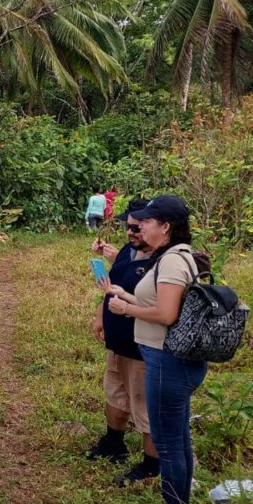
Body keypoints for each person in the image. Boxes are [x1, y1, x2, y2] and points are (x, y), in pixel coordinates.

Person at [106, 196, 205, 504]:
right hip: (168, 357)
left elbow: (165, 314)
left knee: (169, 444)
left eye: (147, 221)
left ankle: (174, 499)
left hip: (167, 359)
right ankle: (179, 496)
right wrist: (126, 295)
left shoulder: (174, 259)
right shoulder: (172, 255)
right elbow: (158, 304)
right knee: (179, 440)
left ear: (166, 227)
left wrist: (125, 309)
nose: (140, 226)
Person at [86, 198, 159, 486]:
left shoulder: (162, 262)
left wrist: (125, 308)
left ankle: (151, 464)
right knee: (115, 391)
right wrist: (100, 316)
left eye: (137, 227)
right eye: (128, 226)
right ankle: (113, 443)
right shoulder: (131, 250)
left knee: (144, 405)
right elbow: (113, 283)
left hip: (142, 347)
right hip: (118, 341)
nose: (131, 231)